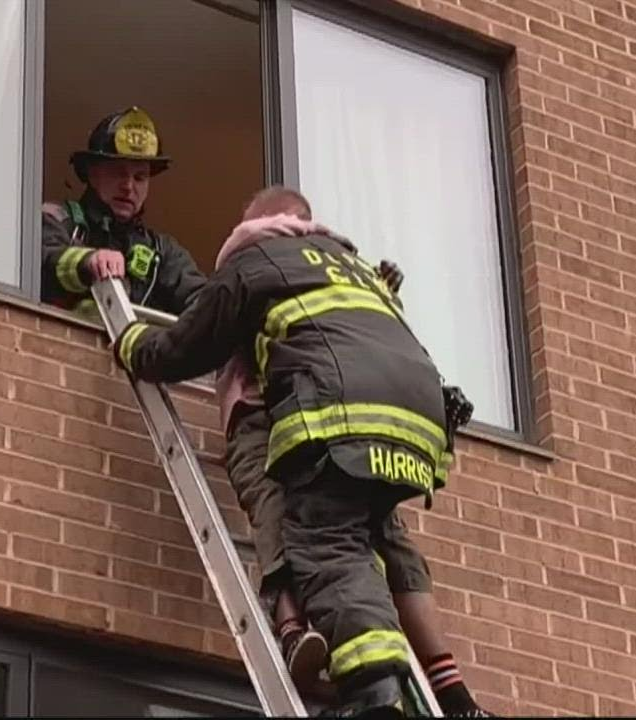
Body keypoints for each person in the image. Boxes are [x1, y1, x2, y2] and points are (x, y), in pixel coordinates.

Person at [113, 186, 471, 719]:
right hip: (417, 426)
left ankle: (374, 697)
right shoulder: (356, 268)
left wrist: (132, 344)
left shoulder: (257, 257)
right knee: (381, 539)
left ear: (258, 224)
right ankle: (447, 696)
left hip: (340, 412)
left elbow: (188, 346)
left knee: (328, 545)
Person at [215, 189, 492, 717]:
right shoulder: (319, 265)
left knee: (327, 537)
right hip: (309, 417)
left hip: (318, 418)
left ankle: (375, 690)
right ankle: (436, 689)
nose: (291, 238)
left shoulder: (296, 264)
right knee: (355, 532)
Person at [41, 106, 206, 320]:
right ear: (92, 174)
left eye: (140, 178)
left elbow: (204, 302)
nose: (128, 186)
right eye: (118, 173)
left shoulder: (162, 253)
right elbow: (42, 259)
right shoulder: (58, 219)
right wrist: (89, 261)